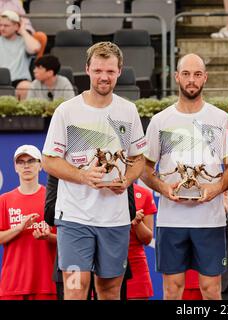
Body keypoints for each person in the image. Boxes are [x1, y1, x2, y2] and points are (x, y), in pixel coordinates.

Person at [41, 42, 147, 300]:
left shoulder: (128, 111)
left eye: (110, 71)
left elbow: (139, 159)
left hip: (116, 220)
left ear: (119, 71)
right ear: (87, 69)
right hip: (75, 218)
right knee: (76, 287)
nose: (104, 77)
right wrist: (82, 176)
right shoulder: (67, 111)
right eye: (98, 70)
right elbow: (48, 161)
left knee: (110, 290)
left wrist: (127, 180)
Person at [140, 53, 228, 300]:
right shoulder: (160, 121)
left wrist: (216, 190)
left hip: (210, 220)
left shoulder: (221, 118)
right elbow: (144, 167)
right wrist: (163, 187)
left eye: (196, 74)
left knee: (211, 290)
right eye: (186, 74)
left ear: (205, 78)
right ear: (176, 77)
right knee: (172, 290)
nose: (191, 80)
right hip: (171, 220)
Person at [0, 145, 57, 300]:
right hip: (13, 285)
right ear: (15, 167)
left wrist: (48, 237)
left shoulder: (53, 200)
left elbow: (67, 239)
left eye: (31, 160)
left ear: (40, 166)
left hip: (46, 284)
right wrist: (18, 228)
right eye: (21, 162)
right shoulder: (4, 200)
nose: (26, 165)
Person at [0, 10, 41, 100]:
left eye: (6, 25)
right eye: (0, 25)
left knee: (26, 87)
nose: (2, 28)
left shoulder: (24, 41)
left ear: (16, 26)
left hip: (19, 81)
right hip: (1, 80)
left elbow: (35, 48)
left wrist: (22, 31)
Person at [127, 183, 156, 300]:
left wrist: (137, 222)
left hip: (135, 264)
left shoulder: (144, 193)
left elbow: (147, 239)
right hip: (103, 262)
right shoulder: (96, 191)